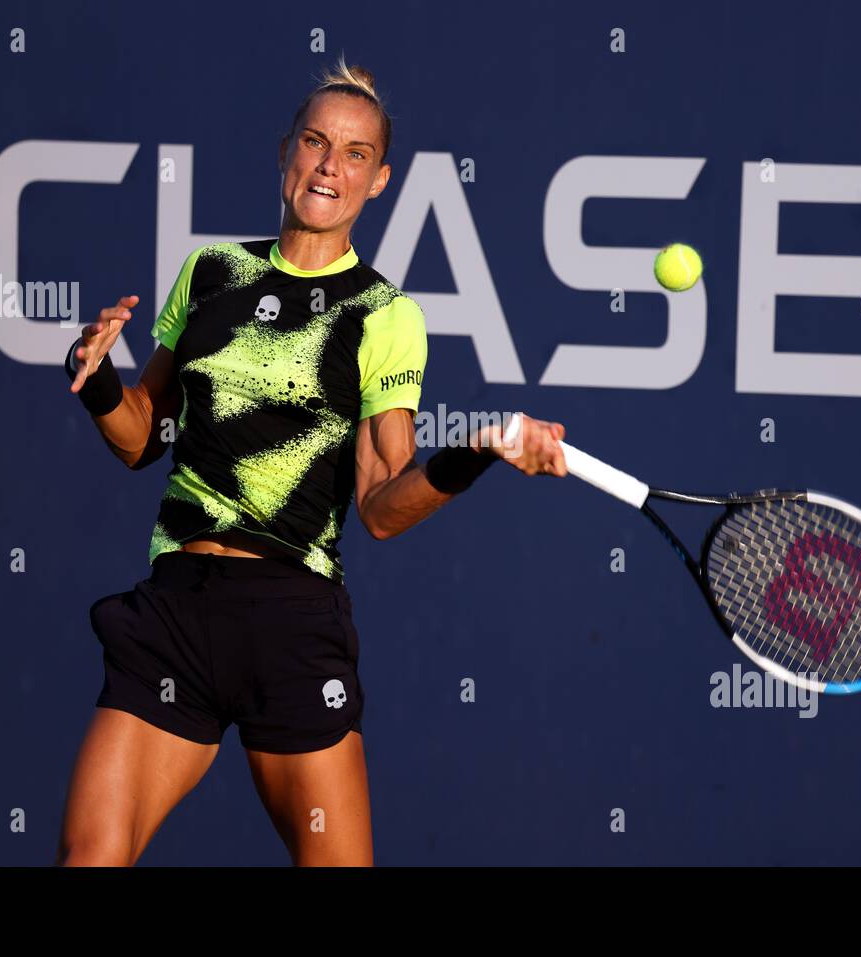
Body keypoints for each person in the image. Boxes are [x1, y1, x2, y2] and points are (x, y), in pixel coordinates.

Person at [54, 56, 568, 866]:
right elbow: (142, 437)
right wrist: (96, 382)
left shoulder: (384, 314)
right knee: (88, 857)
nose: (331, 164)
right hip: (176, 613)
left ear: (379, 180)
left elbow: (382, 506)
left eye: (355, 153)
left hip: (291, 621)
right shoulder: (211, 271)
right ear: (287, 150)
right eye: (316, 143)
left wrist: (477, 452)